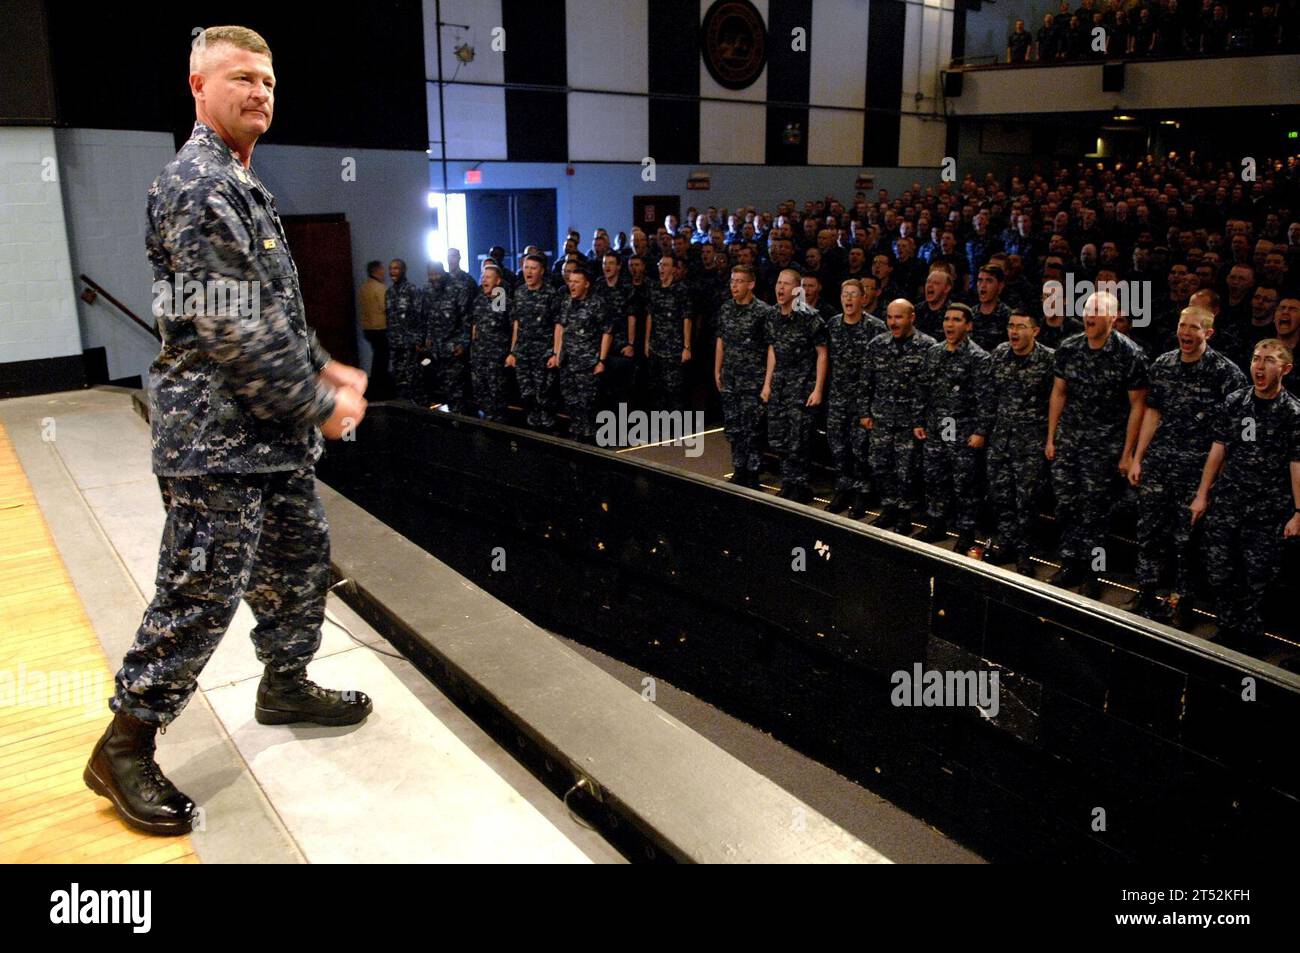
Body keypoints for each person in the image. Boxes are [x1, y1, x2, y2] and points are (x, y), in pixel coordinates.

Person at [88, 25, 371, 838]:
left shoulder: (243, 183)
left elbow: (273, 309)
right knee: (200, 590)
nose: (260, 94)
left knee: (299, 557)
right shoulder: (199, 185)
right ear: (198, 87)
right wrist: (320, 399)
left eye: (270, 82)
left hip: (265, 441)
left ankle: (285, 680)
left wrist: (321, 365)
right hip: (216, 442)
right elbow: (235, 330)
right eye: (242, 78)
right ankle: (126, 742)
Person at [1128, 307, 1246, 622]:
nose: (1186, 333)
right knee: (1149, 531)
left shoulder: (1227, 374)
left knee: (1186, 541)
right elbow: (1152, 414)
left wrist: (1210, 486)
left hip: (1197, 470)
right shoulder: (1163, 364)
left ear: (1208, 333)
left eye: (1194, 327)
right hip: (1160, 463)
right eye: (1182, 325)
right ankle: (1147, 594)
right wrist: (1138, 458)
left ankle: (1181, 603)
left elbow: (1229, 436)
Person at [1191, 339, 1300, 650]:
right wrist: (1202, 494)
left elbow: (1297, 464)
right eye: (1255, 359)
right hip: (1229, 502)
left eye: (1268, 361)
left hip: (1268, 510)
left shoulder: (1293, 413)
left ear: (1285, 368)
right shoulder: (1236, 402)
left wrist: (1298, 512)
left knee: (1257, 576)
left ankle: (1250, 637)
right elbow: (1218, 449)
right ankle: (1226, 628)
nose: (1259, 366)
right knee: (1220, 569)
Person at [1046, 291, 1149, 592]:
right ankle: (1070, 564)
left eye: (1098, 312)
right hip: (1069, 441)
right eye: (1088, 311)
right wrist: (1051, 437)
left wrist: (1128, 453)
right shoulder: (1069, 348)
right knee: (1066, 506)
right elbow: (1059, 393)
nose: (1090, 317)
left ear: (1113, 318)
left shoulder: (1130, 354)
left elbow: (1138, 407)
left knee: (1096, 514)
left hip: (1105, 446)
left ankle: (1094, 572)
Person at [913, 303, 991, 552]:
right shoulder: (934, 352)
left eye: (956, 320)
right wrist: (918, 420)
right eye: (947, 319)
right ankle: (936, 523)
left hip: (963, 430)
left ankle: (966, 531)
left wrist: (980, 431)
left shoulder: (979, 358)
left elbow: (985, 399)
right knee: (935, 478)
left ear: (968, 326)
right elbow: (922, 388)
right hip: (936, 428)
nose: (949, 324)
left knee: (964, 484)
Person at [983, 309, 1056, 574]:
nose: (1014, 331)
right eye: (1011, 326)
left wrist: (1050, 439)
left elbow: (1057, 403)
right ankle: (1006, 544)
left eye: (1021, 326)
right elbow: (989, 396)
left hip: (1031, 443)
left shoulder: (1049, 360)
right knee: (1000, 496)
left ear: (1035, 331)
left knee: (1027, 501)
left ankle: (1025, 552)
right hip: (1001, 439)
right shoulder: (1000, 354)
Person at [862, 299, 937, 531]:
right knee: (880, 465)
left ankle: (905, 513)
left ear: (911, 317)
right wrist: (864, 412)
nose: (893, 322)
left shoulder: (928, 346)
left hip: (910, 422)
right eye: (890, 317)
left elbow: (931, 388)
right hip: (882, 417)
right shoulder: (877, 344)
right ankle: (889, 508)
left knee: (906, 471)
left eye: (899, 317)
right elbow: (866, 381)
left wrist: (922, 420)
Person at [761, 269, 829, 502]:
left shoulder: (810, 318)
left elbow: (822, 354)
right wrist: (767, 383)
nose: (780, 288)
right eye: (778, 282)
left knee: (798, 440)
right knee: (778, 439)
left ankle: (799, 485)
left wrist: (818, 389)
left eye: (786, 283)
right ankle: (788, 480)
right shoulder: (772, 316)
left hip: (802, 388)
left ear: (797, 288)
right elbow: (772, 350)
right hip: (779, 386)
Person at [825, 280, 887, 517]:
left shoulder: (876, 327)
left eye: (853, 294)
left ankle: (862, 493)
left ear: (863, 299)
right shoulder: (833, 325)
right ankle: (843, 489)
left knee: (861, 450)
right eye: (845, 294)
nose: (848, 299)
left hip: (864, 400)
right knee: (839, 447)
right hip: (838, 398)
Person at [715, 264, 773, 488]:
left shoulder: (763, 312)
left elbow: (770, 348)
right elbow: (721, 339)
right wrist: (716, 369)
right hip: (730, 377)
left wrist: (767, 382)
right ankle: (738, 468)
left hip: (753, 380)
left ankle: (753, 472)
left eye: (739, 281)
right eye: (732, 281)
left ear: (751, 284)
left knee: (753, 429)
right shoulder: (726, 309)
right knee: (733, 427)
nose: (734, 285)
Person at [549, 264, 614, 443]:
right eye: (570, 281)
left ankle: (590, 438)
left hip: (587, 363)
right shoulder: (567, 301)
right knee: (570, 400)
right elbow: (560, 327)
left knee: (588, 403)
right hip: (567, 361)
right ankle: (576, 433)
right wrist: (556, 354)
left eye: (577, 282)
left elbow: (607, 332)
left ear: (587, 284)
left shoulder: (597, 303)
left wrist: (601, 360)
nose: (572, 285)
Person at [507, 253, 561, 431]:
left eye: (533, 268)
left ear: (542, 271)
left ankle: (548, 433)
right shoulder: (519, 292)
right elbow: (516, 323)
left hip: (543, 353)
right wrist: (513, 351)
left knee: (544, 396)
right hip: (523, 352)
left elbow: (558, 326)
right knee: (527, 394)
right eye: (526, 267)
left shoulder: (550, 294)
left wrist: (555, 353)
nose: (528, 271)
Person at [645, 251, 691, 411]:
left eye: (665, 265)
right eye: (660, 265)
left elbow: (687, 318)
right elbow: (650, 315)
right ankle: (660, 429)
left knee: (674, 391)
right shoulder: (654, 289)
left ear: (673, 269)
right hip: (656, 346)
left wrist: (686, 347)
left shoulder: (681, 290)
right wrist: (647, 341)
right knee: (656, 390)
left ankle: (677, 429)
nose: (661, 268)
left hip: (674, 348)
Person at [469, 262, 513, 422]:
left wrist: (510, 352)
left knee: (497, 394)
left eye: (488, 277)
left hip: (496, 357)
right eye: (482, 277)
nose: (484, 280)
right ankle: (487, 418)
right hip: (479, 354)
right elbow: (475, 325)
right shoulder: (479, 300)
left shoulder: (501, 299)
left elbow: (508, 325)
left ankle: (498, 422)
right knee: (480, 390)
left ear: (498, 281)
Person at [386, 257, 423, 403]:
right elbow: (389, 319)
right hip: (395, 344)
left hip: (410, 344)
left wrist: (418, 340)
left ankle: (416, 408)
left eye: (396, 268)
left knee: (412, 378)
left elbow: (419, 316)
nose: (392, 272)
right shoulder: (389, 293)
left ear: (403, 270)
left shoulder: (411, 290)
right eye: (391, 268)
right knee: (398, 378)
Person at [358, 260, 392, 399]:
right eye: (382, 269)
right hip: (380, 328)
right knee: (382, 359)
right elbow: (386, 308)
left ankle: (375, 386)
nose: (385, 272)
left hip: (368, 328)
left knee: (377, 357)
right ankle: (380, 389)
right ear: (376, 271)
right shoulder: (380, 288)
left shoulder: (364, 287)